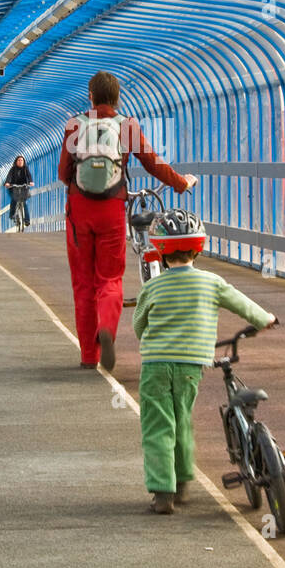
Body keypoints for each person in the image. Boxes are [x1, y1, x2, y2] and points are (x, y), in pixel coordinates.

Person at [133, 209, 276, 515]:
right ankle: (184, 482)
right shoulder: (212, 282)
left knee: (158, 425)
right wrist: (265, 319)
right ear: (198, 247)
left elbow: (138, 325)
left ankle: (162, 492)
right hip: (190, 366)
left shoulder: (152, 286)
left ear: (160, 249)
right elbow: (243, 304)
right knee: (182, 419)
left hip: (156, 364)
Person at [57, 70, 197, 371]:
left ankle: (88, 356)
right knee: (110, 278)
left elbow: (62, 173)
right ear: (117, 97)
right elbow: (153, 162)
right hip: (112, 208)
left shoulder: (74, 126)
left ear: (90, 96)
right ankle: (106, 327)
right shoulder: (127, 126)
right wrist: (180, 183)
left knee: (83, 284)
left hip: (79, 211)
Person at [3, 155, 33, 228]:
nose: (20, 162)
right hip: (13, 187)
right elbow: (9, 177)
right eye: (19, 160)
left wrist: (31, 182)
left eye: (22, 160)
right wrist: (7, 183)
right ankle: (12, 214)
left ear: (24, 162)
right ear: (16, 162)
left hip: (23, 187)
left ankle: (27, 220)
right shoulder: (13, 169)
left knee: (25, 203)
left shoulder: (26, 169)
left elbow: (29, 176)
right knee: (14, 199)